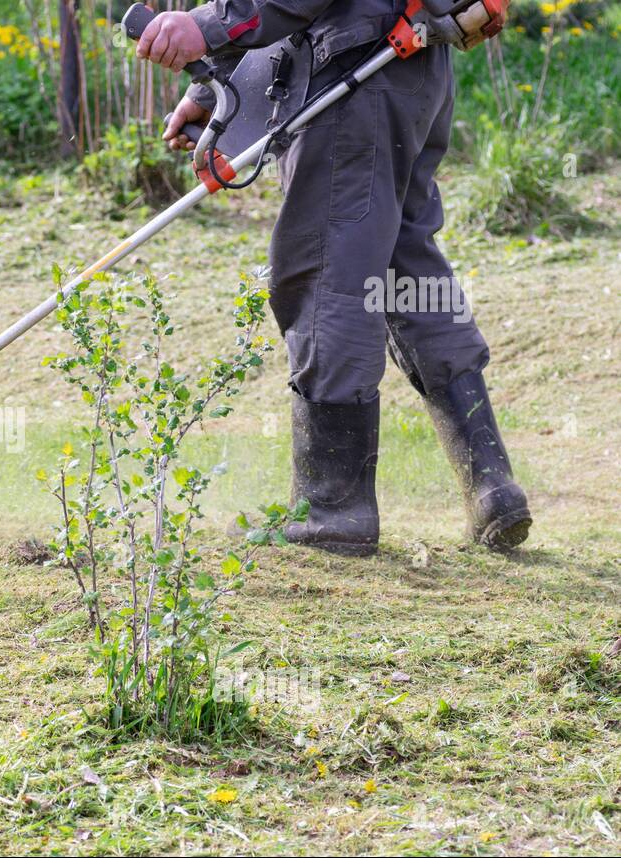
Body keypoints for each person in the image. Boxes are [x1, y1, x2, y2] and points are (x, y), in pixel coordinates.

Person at [135, 2, 531, 555]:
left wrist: (202, 27)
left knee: (328, 268)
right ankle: (492, 483)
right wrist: (217, 92)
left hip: (355, 73)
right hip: (407, 64)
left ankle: (333, 508)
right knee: (401, 264)